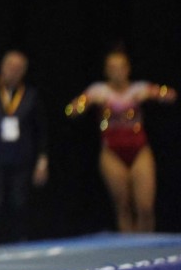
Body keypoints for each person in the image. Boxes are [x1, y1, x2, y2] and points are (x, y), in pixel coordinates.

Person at [67, 51, 176, 233]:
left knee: (145, 207)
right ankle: (130, 249)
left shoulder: (138, 88)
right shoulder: (98, 90)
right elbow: (70, 111)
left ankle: (146, 249)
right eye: (112, 68)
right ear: (106, 71)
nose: (117, 71)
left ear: (127, 69)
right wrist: (86, 103)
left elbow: (170, 95)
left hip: (139, 149)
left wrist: (153, 94)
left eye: (120, 67)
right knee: (123, 205)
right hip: (112, 152)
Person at [0, 51, 48, 244]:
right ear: (1, 67)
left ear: (24, 71)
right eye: (9, 66)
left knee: (18, 202)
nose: (13, 71)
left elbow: (41, 131)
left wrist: (42, 162)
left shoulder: (31, 95)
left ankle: (18, 241)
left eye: (18, 68)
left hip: (21, 159)